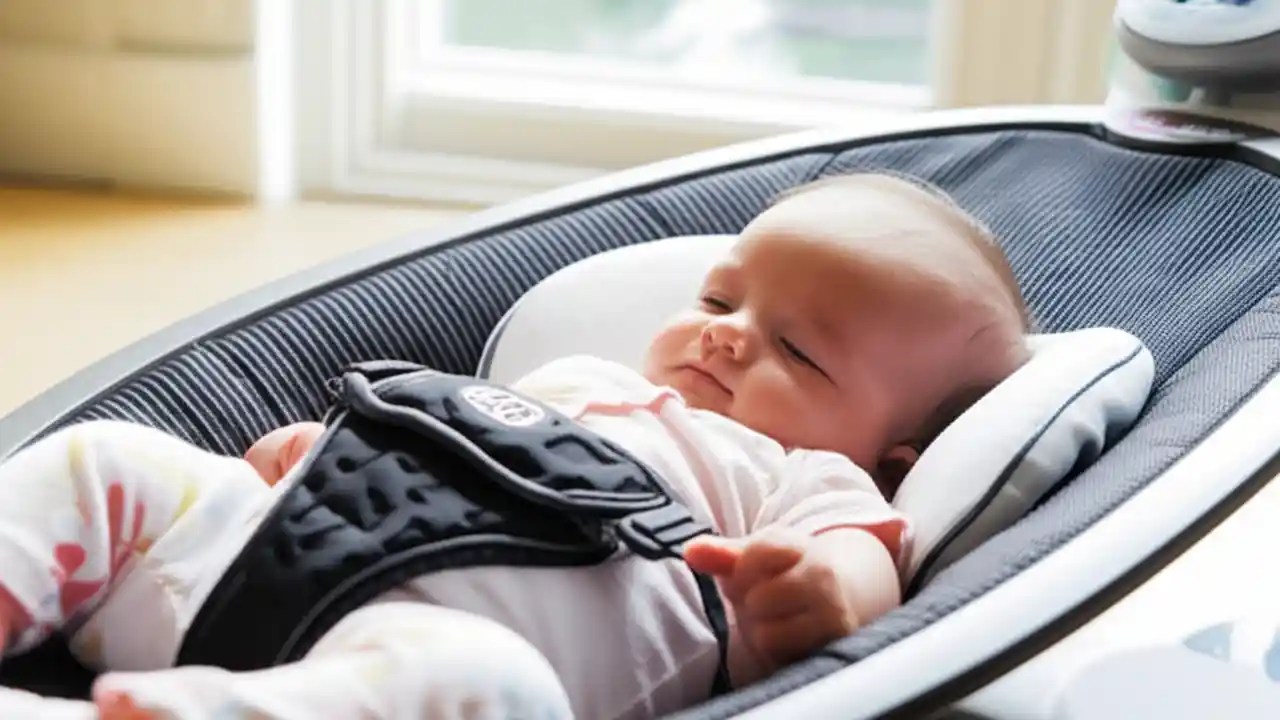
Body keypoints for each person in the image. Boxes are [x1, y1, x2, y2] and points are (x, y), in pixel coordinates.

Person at [0, 173, 1030, 720]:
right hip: (245, 562)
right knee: (108, 461)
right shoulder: (577, 383)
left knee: (491, 687)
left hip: (392, 674)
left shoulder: (806, 479)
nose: (725, 333)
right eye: (720, 298)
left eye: (797, 351)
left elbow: (863, 562)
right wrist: (311, 457)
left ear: (891, 453)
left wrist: (821, 591)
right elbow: (436, 454)